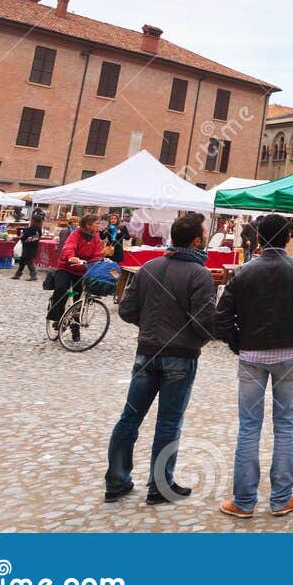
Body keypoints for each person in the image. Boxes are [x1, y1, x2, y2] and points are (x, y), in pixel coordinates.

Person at [105, 213, 217, 504]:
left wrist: (149, 327)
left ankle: (116, 480)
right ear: (196, 241)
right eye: (204, 234)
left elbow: (126, 310)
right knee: (168, 422)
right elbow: (204, 322)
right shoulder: (200, 274)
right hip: (180, 355)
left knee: (130, 418)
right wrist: (196, 338)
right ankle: (159, 485)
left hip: (147, 352)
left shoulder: (149, 268)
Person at [215, 213, 293, 519]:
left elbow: (221, 317)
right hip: (289, 354)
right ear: (288, 237)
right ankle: (282, 498)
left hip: (252, 356)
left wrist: (238, 343)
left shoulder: (243, 272)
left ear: (258, 238)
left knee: (249, 426)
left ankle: (244, 501)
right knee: (285, 426)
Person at [49, 213, 106, 336]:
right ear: (88, 225)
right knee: (61, 288)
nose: (99, 226)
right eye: (97, 223)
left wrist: (98, 261)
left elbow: (97, 252)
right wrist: (71, 257)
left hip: (83, 270)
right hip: (67, 267)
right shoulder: (76, 234)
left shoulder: (95, 236)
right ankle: (57, 317)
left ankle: (75, 326)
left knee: (80, 298)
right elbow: (69, 246)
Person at [14, 208, 45, 281]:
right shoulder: (39, 228)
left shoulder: (32, 228)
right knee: (22, 261)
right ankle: (18, 274)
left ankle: (33, 275)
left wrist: (24, 239)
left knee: (29, 261)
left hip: (28, 247)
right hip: (33, 246)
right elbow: (38, 237)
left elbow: (26, 237)